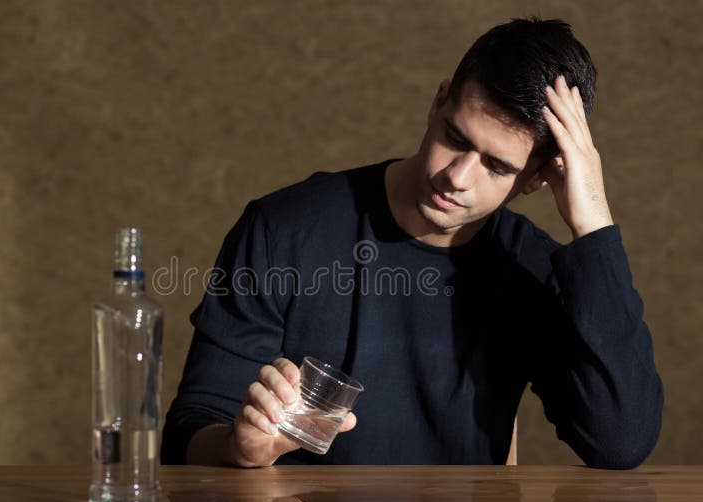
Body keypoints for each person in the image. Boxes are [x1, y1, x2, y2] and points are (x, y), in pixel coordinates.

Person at [160, 17, 664, 469]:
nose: (457, 177)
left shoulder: (531, 267)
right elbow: (189, 431)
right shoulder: (283, 231)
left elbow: (619, 442)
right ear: (438, 100)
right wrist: (238, 448)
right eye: (456, 137)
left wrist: (593, 224)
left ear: (536, 178)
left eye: (497, 166)